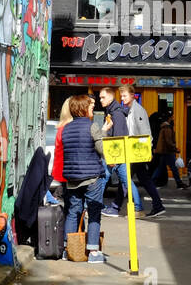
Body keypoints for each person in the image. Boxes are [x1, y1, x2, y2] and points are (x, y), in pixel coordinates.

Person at [59, 95, 107, 264]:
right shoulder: (92, 126)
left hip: (72, 177)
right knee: (94, 212)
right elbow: (102, 149)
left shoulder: (66, 128)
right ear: (83, 108)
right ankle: (93, 251)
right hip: (91, 177)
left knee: (73, 212)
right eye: (90, 107)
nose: (92, 110)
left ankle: (68, 249)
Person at [118, 84, 166, 217]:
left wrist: (147, 150)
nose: (122, 98)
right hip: (135, 150)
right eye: (121, 96)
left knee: (125, 177)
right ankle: (158, 205)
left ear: (132, 96)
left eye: (125, 95)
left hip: (137, 151)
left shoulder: (138, 110)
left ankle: (119, 207)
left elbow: (145, 131)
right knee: (142, 179)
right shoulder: (130, 109)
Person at [97, 87, 140, 214]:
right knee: (106, 180)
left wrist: (112, 158)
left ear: (111, 97)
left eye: (103, 97)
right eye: (100, 97)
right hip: (115, 155)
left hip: (116, 156)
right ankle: (138, 207)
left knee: (105, 180)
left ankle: (137, 208)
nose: (101, 100)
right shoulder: (111, 111)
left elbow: (118, 138)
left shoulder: (116, 114)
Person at [154, 114, 185, 188]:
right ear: (169, 118)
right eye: (172, 117)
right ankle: (179, 183)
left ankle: (151, 182)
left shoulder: (163, 127)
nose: (173, 119)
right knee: (174, 168)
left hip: (164, 151)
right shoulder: (167, 128)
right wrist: (175, 148)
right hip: (167, 151)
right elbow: (168, 141)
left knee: (160, 168)